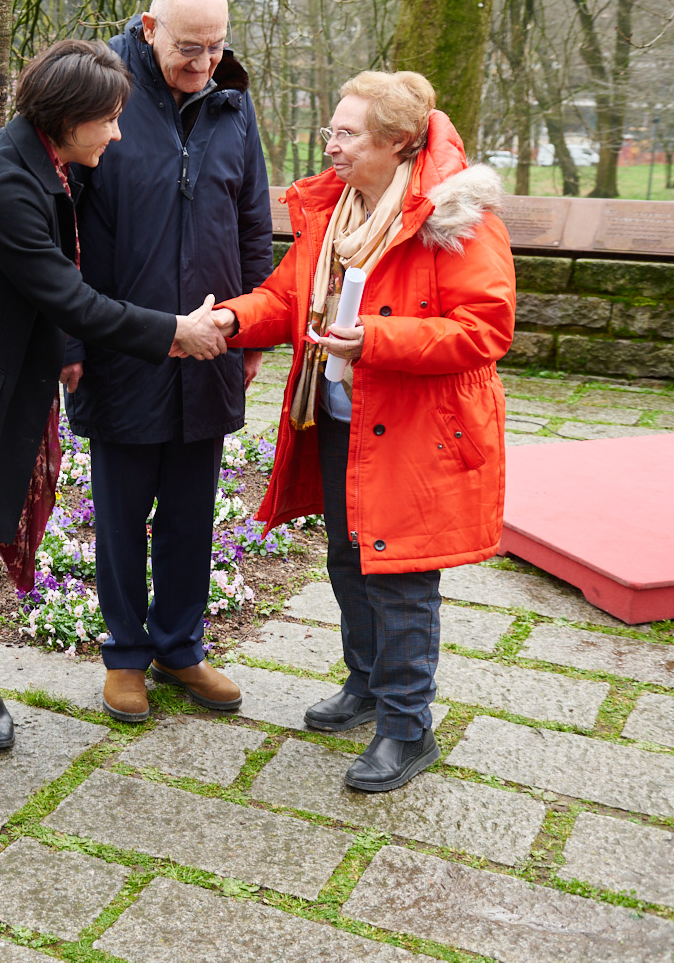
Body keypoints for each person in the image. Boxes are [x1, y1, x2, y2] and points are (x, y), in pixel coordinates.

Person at [0, 40, 231, 764]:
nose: (117, 133)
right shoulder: (7, 184)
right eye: (108, 119)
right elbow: (69, 297)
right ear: (67, 117)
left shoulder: (40, 162)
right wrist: (175, 332)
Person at [214, 71, 515, 792]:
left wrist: (375, 341)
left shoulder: (456, 218)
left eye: (347, 134)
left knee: (400, 577)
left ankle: (408, 729)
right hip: (341, 421)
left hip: (418, 434)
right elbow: (285, 297)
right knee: (348, 560)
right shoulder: (337, 213)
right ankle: (369, 683)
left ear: (398, 142)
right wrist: (227, 320)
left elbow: (485, 330)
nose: (331, 146)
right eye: (332, 131)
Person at [66, 0, 275, 723]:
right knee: (122, 513)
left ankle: (181, 647)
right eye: (190, 47)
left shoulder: (233, 104)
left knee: (192, 509)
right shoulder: (102, 93)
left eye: (216, 47)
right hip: (122, 343)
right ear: (150, 29)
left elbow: (253, 219)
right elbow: (60, 224)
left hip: (212, 347)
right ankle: (125, 653)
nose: (205, 63)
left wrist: (256, 324)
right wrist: (67, 337)